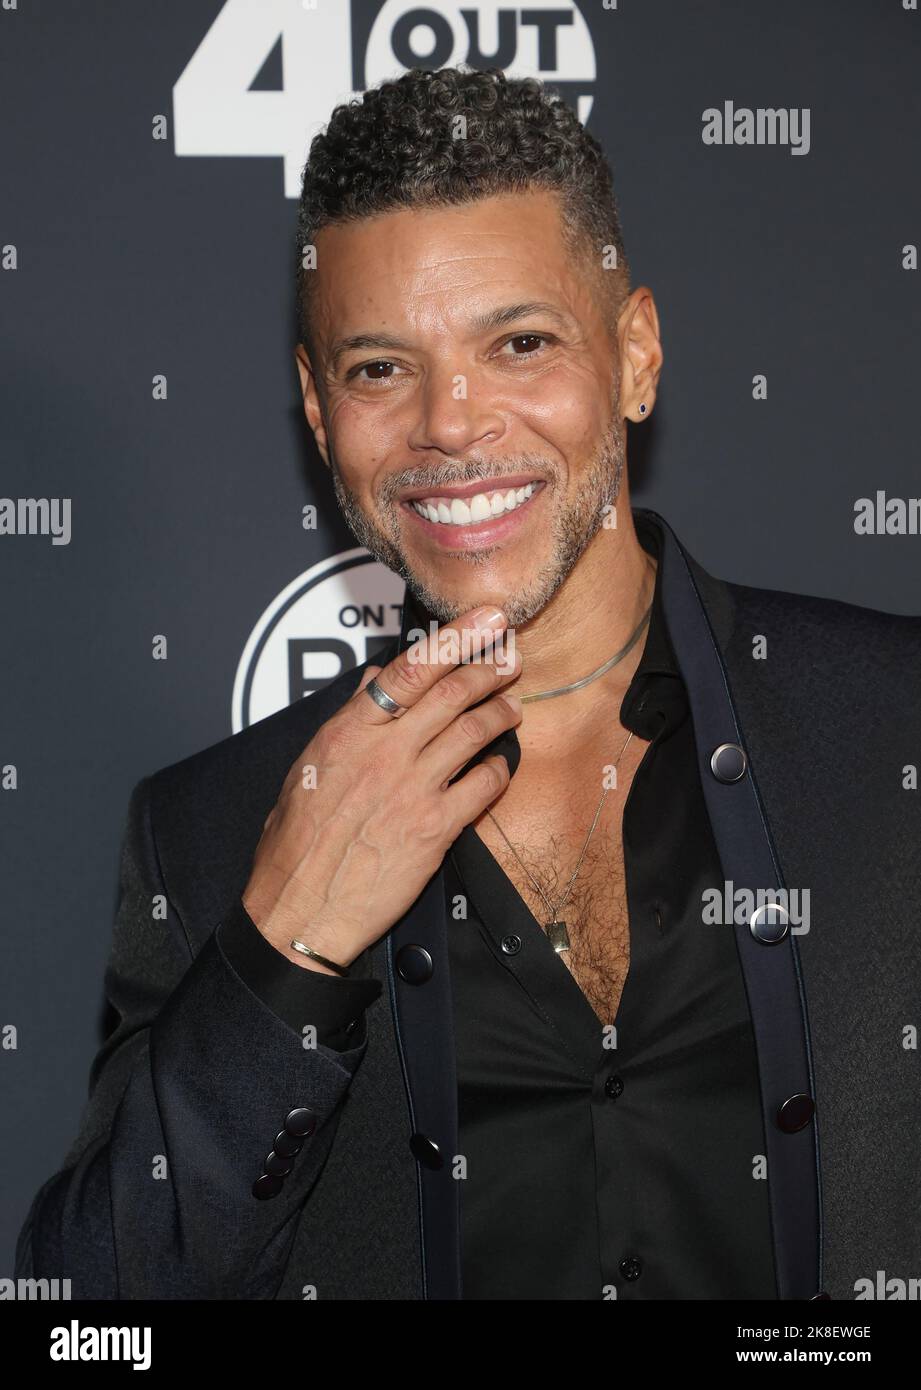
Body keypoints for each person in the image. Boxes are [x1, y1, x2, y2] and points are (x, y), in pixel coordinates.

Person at [16, 66, 920, 1301]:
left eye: (521, 342)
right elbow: (91, 1321)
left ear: (637, 356)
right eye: (381, 369)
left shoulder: (892, 726)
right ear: (316, 409)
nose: (450, 423)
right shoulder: (208, 828)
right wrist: (286, 949)